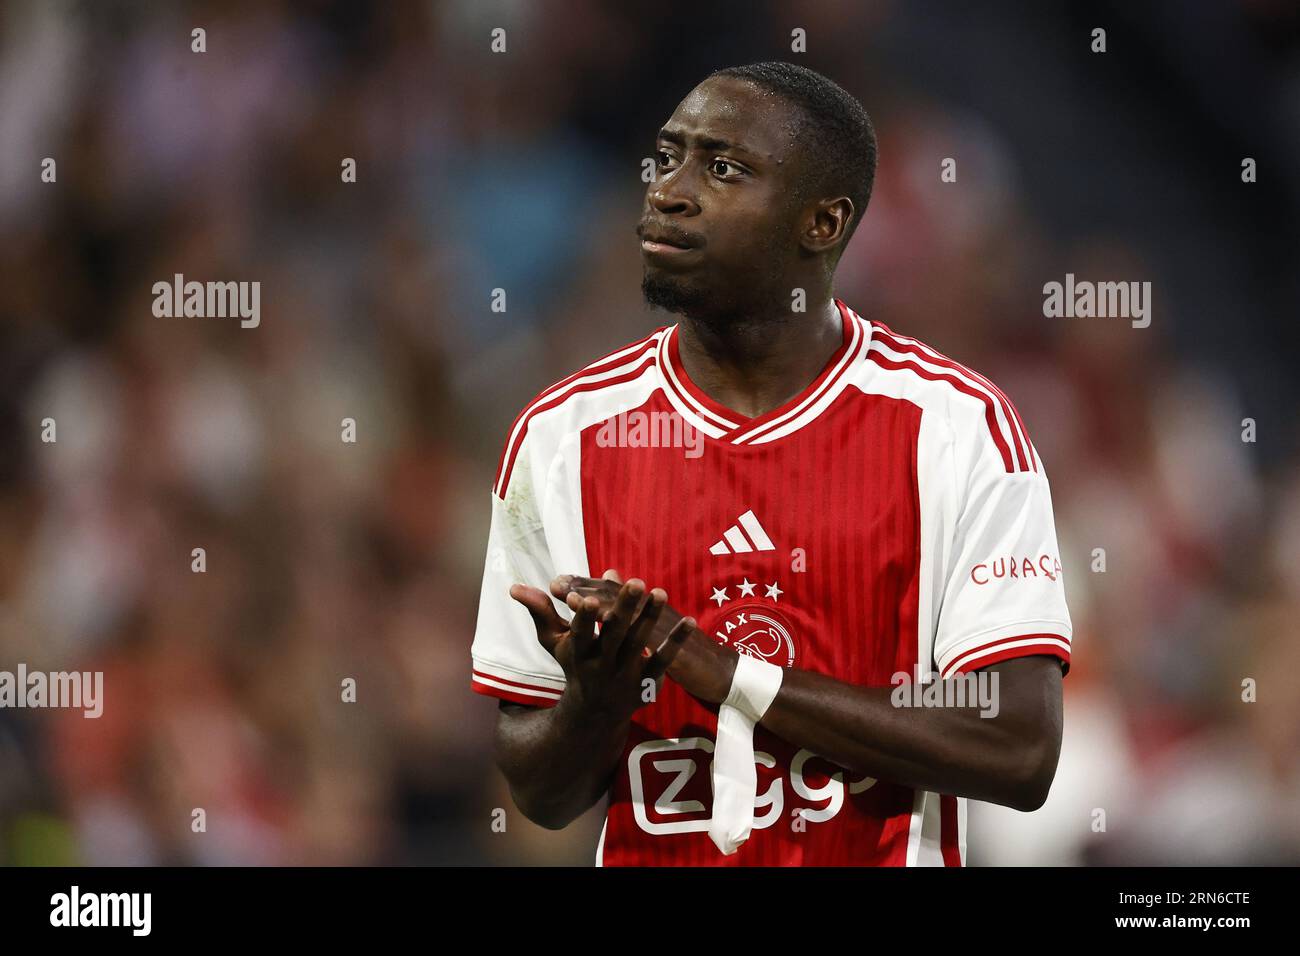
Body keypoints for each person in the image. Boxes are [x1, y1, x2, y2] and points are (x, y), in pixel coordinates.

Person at [470, 61, 1071, 866]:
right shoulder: (560, 437)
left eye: (722, 168)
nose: (668, 190)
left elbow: (1019, 750)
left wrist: (728, 675)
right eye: (667, 156)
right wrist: (593, 700)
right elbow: (542, 799)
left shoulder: (958, 429)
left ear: (821, 223)